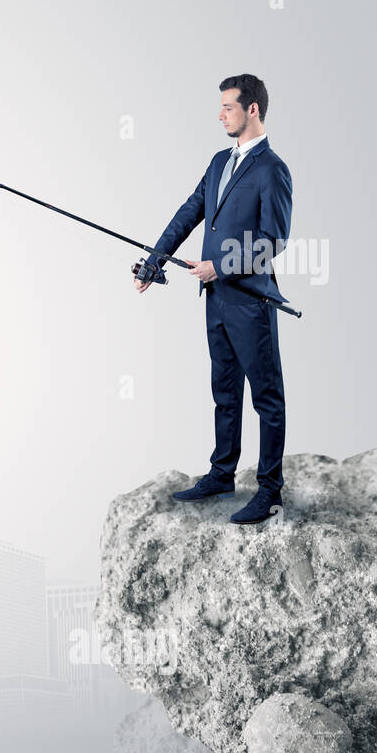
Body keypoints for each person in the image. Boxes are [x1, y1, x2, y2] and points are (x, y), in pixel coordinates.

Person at [135, 74, 293, 525]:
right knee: (224, 391)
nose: (220, 114)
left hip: (249, 300)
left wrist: (221, 267)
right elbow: (190, 210)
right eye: (221, 107)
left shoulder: (272, 169)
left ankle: (269, 491)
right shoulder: (217, 161)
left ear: (253, 110)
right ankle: (222, 474)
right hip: (215, 301)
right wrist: (154, 260)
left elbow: (273, 240)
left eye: (228, 107)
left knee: (267, 397)